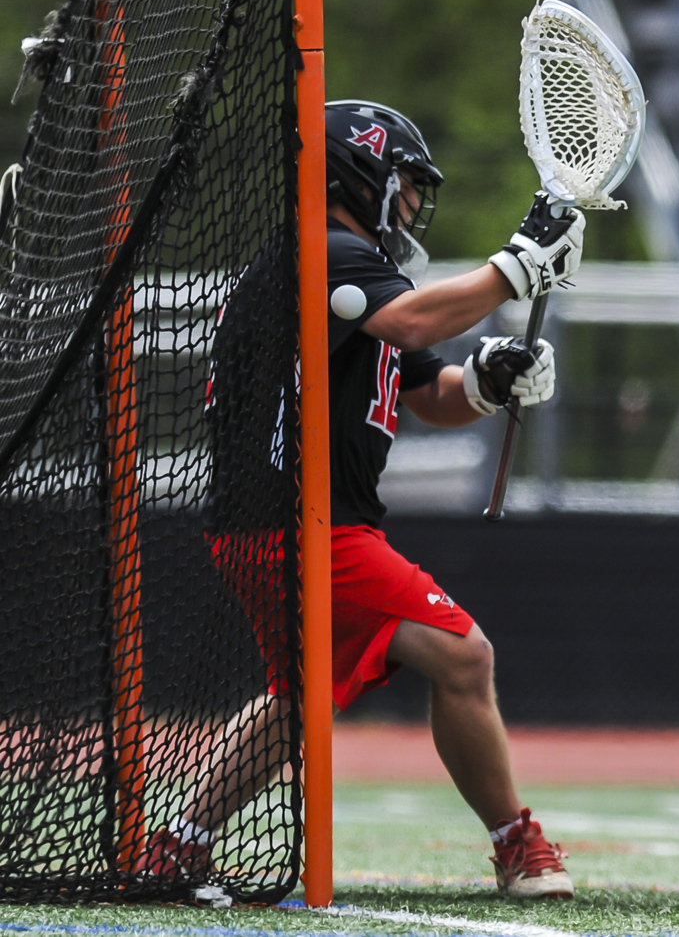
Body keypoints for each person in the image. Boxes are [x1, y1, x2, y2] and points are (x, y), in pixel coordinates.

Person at [138, 101, 585, 898]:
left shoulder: (357, 270)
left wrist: (489, 382)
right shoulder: (323, 250)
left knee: (299, 695)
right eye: (406, 183)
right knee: (463, 654)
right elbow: (411, 325)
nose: (412, 201)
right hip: (300, 526)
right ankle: (516, 843)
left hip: (283, 526)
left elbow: (431, 393)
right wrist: (518, 265)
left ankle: (178, 843)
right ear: (360, 173)